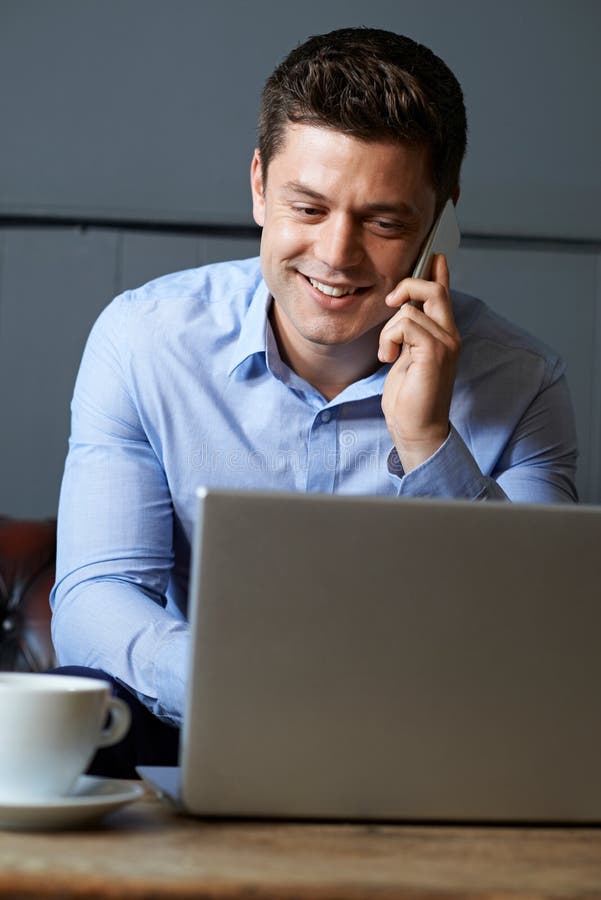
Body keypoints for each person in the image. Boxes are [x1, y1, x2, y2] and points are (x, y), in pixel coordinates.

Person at [50, 27, 578, 776]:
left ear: (442, 217)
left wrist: (429, 442)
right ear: (260, 185)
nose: (335, 255)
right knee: (84, 701)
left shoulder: (521, 382)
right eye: (308, 207)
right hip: (194, 723)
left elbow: (541, 642)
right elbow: (97, 600)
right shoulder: (143, 340)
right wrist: (247, 688)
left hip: (436, 744)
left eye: (384, 220)